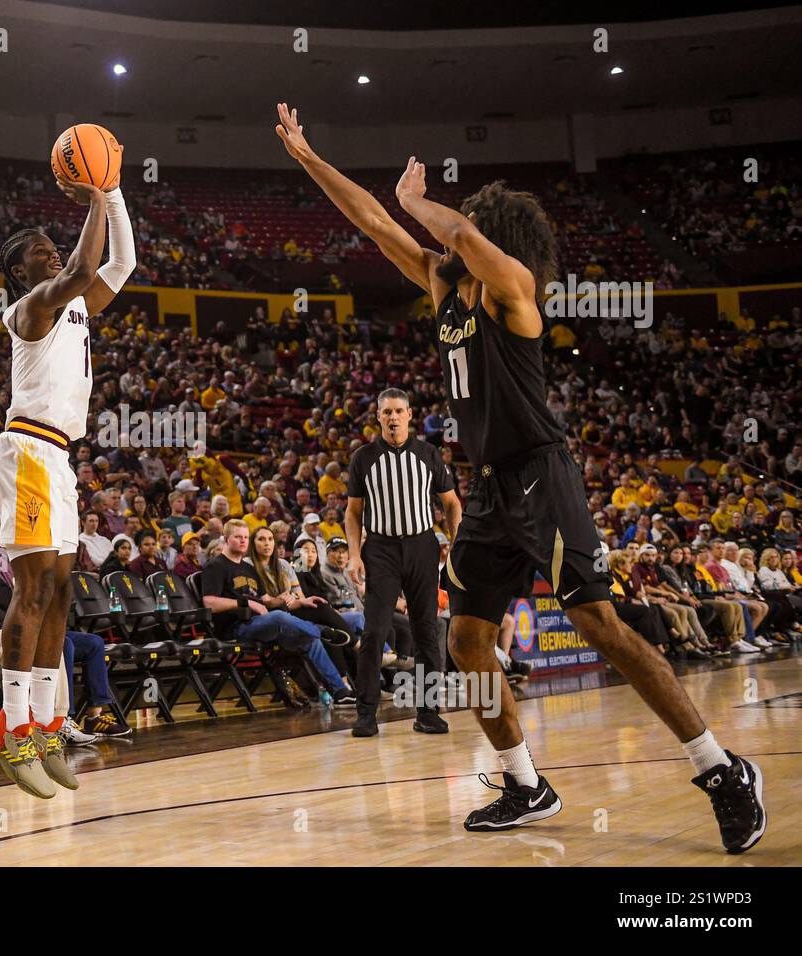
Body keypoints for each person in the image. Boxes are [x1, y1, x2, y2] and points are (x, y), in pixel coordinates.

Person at [277, 104, 764, 852]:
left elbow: (459, 234)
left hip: (542, 472)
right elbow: (373, 222)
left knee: (599, 625)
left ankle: (721, 769)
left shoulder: (513, 286)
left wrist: (417, 202)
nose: (455, 232)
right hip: (489, 487)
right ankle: (525, 783)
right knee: (468, 642)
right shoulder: (443, 284)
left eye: (470, 224)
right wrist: (311, 159)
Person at [0, 166, 135, 798]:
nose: (54, 254)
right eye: (41, 251)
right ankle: (12, 729)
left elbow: (121, 263)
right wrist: (94, 196)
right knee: (35, 586)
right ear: (20, 271)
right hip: (26, 450)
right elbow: (81, 268)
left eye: (55, 246)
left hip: (59, 456)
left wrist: (114, 194)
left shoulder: (74, 306)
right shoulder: (31, 307)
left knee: (63, 591)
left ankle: (45, 727)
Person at [344, 387, 462, 737]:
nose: (393, 417)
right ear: (378, 417)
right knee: (375, 631)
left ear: (410, 415)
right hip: (380, 550)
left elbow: (452, 503)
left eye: (398, 411)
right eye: (386, 412)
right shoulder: (363, 457)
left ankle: (428, 712)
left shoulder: (428, 454)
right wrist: (354, 554)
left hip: (422, 546)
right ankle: (366, 713)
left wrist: (456, 544)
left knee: (427, 630)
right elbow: (353, 511)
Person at [201, 520, 356, 705]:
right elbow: (209, 603)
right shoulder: (216, 566)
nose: (243, 541)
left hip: (263, 624)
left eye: (245, 537)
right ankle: (322, 631)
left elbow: (267, 601)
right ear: (226, 539)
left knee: (309, 639)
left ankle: (340, 692)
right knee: (280, 617)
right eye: (238, 537)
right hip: (236, 628)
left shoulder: (248, 569)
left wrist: (285, 600)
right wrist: (246, 603)